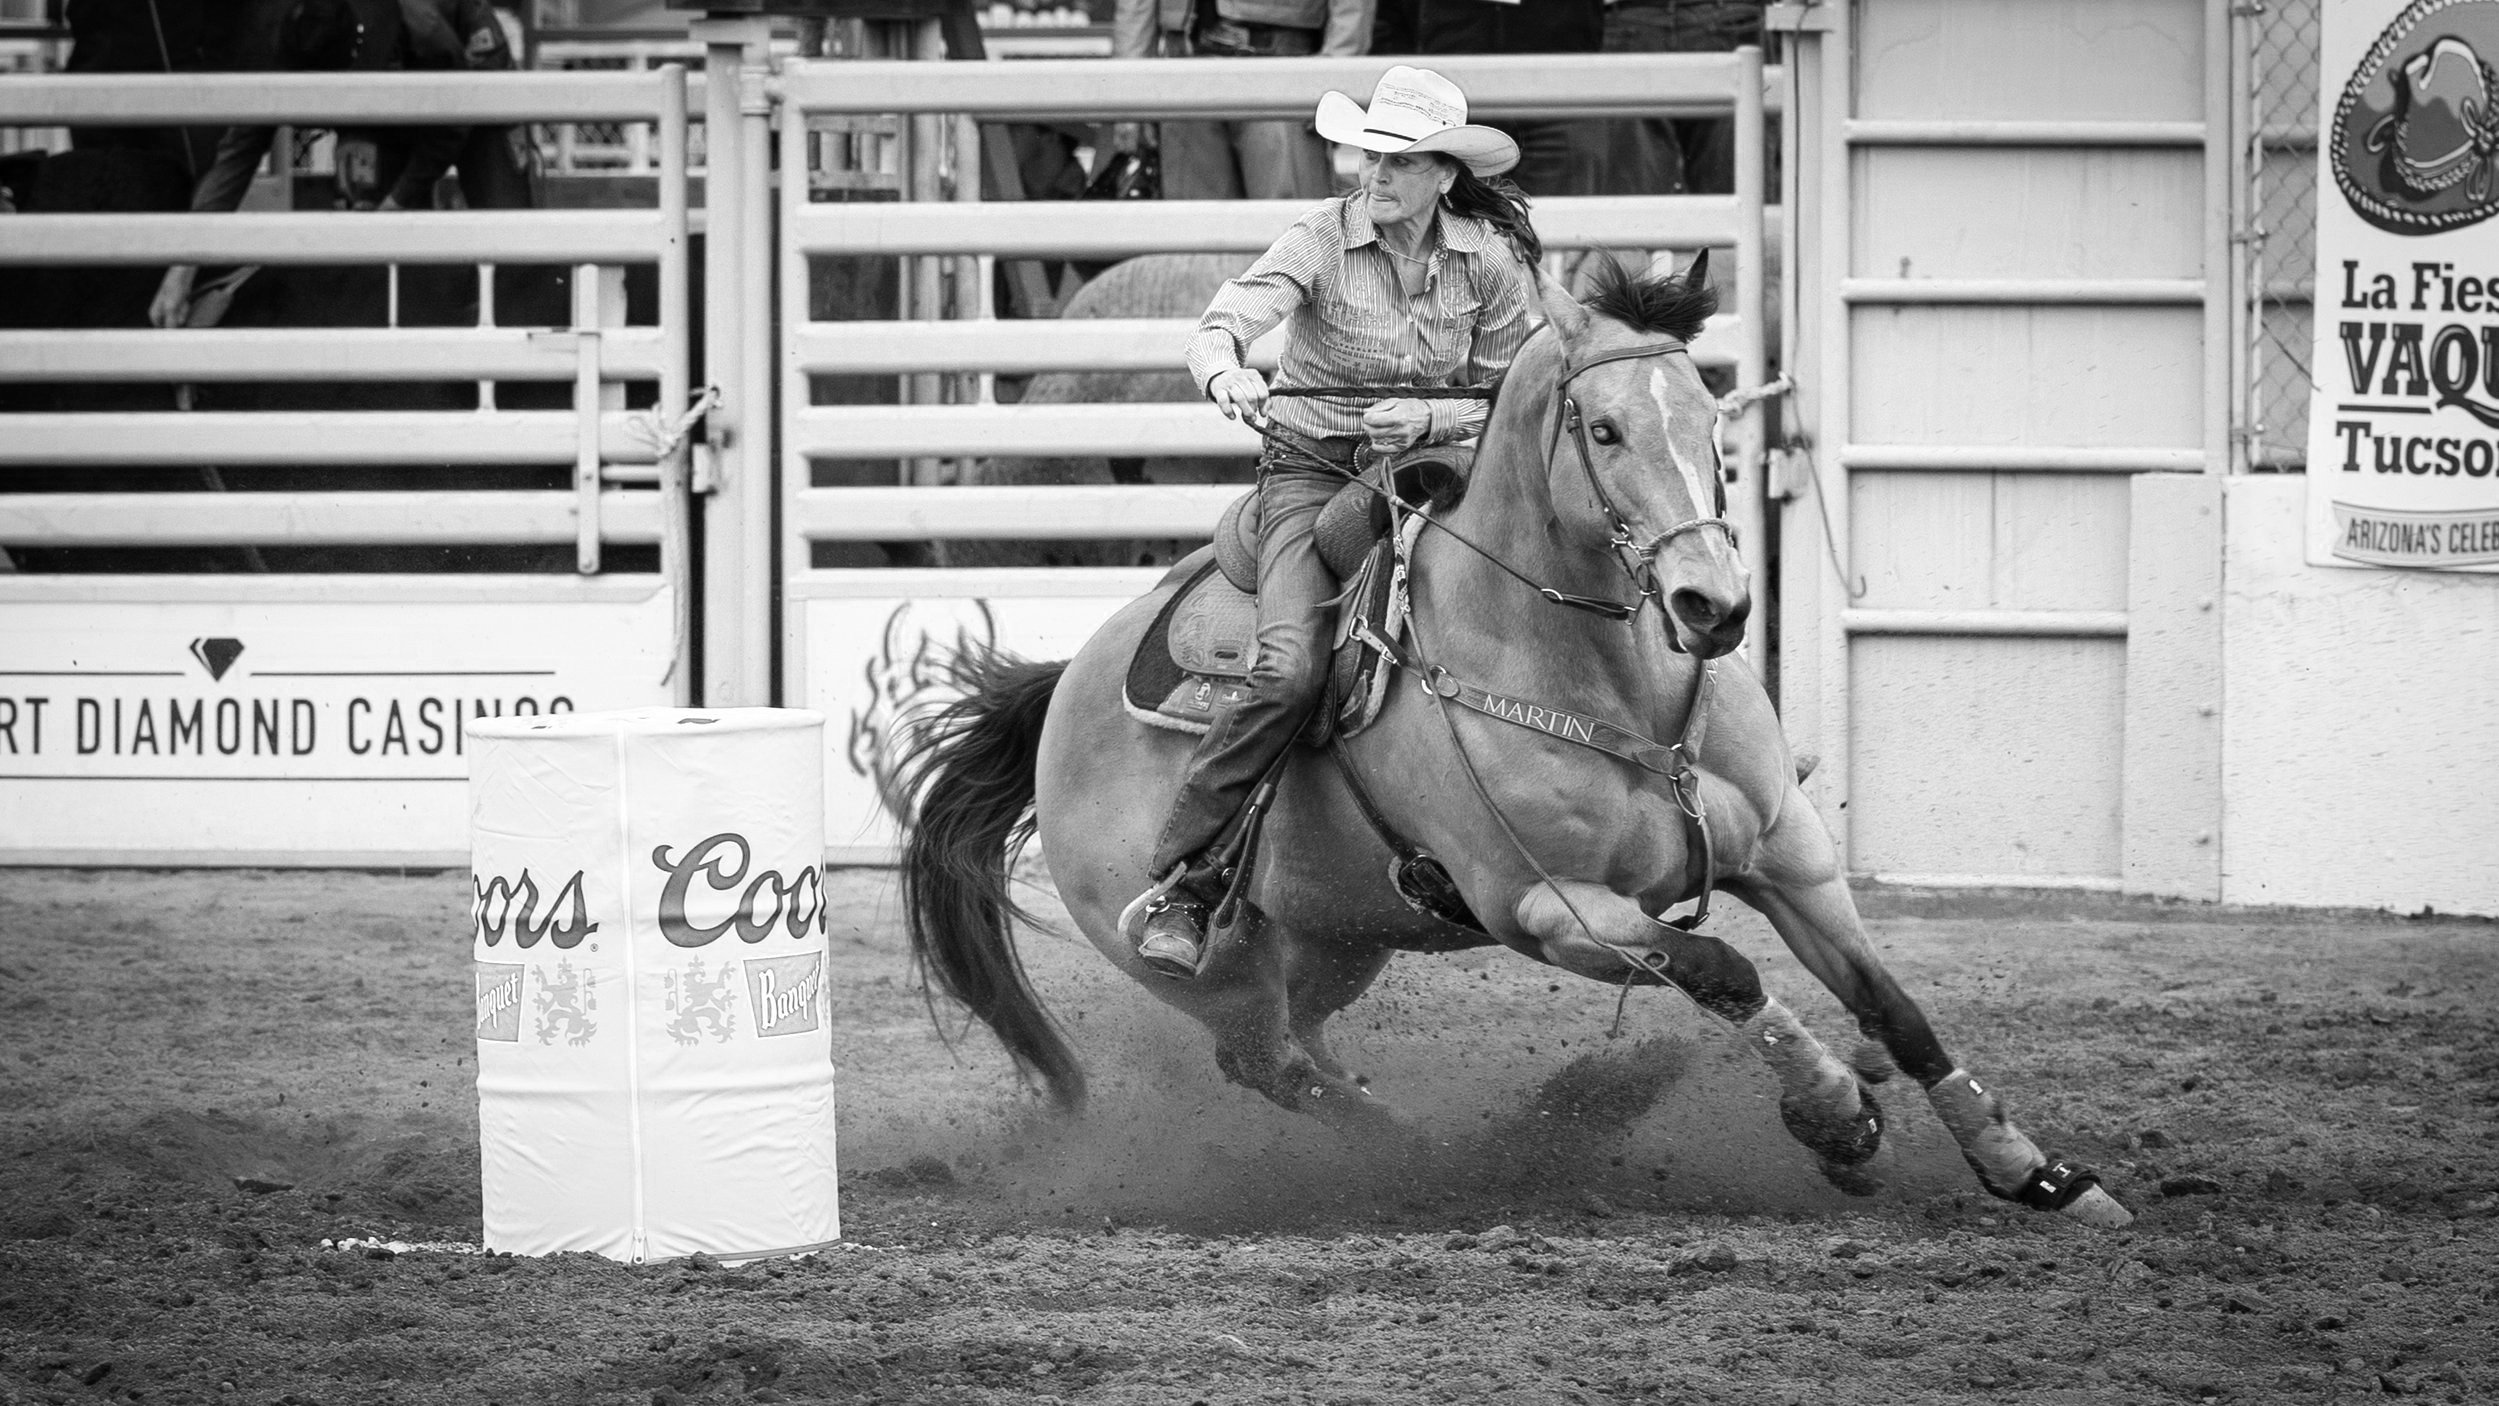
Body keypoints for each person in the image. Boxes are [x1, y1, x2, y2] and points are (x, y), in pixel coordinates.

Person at [1134, 65, 1541, 979]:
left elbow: (1516, 393)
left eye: (1401, 161)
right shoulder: (1318, 240)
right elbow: (1220, 325)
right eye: (1371, 156)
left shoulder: (1492, 260)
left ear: (1445, 174)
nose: (1375, 174)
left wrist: (1431, 420)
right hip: (1312, 474)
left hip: (1446, 471)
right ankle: (1187, 884)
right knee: (1285, 670)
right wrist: (1229, 370)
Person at [149, 0, 536, 328]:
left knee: (510, 230)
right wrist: (183, 265)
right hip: (373, 107)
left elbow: (454, 124)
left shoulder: (426, 26)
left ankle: (517, 361)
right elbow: (237, 155)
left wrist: (399, 199)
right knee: (367, 242)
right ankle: (398, 361)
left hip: (468, 74)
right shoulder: (273, 45)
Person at [1108, 0, 1374, 201]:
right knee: (1194, 242)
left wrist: (1334, 72)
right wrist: (1130, 93)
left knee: (1290, 239)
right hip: (1184, 68)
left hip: (1281, 68)